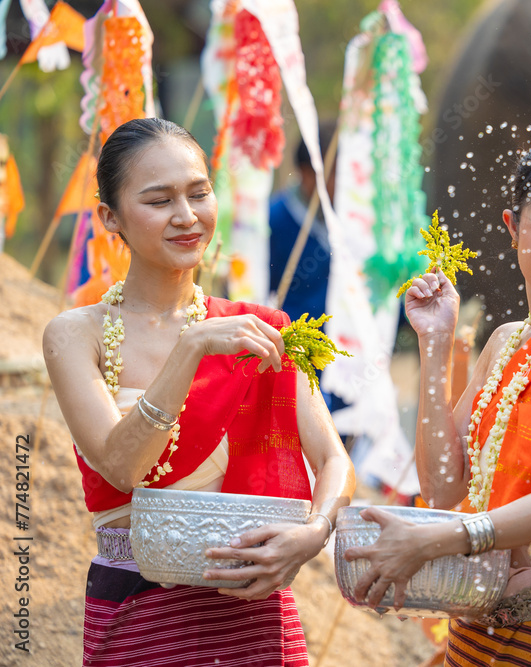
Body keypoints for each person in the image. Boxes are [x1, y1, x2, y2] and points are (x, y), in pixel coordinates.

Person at [42, 117, 355, 666]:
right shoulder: (76, 334)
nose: (187, 217)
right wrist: (191, 349)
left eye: (199, 193)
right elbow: (121, 466)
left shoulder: (258, 330)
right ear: (109, 218)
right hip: (138, 617)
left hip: (255, 613)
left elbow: (334, 459)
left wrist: (314, 532)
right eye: (159, 200)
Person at [343, 131, 531, 666]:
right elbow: (443, 486)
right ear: (513, 228)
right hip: (483, 620)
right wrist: (435, 347)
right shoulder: (506, 341)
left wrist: (440, 542)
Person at [268, 121, 351, 415]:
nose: (342, 182)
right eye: (334, 173)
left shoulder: (354, 221)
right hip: (298, 359)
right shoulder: (274, 221)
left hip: (346, 358)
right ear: (307, 172)